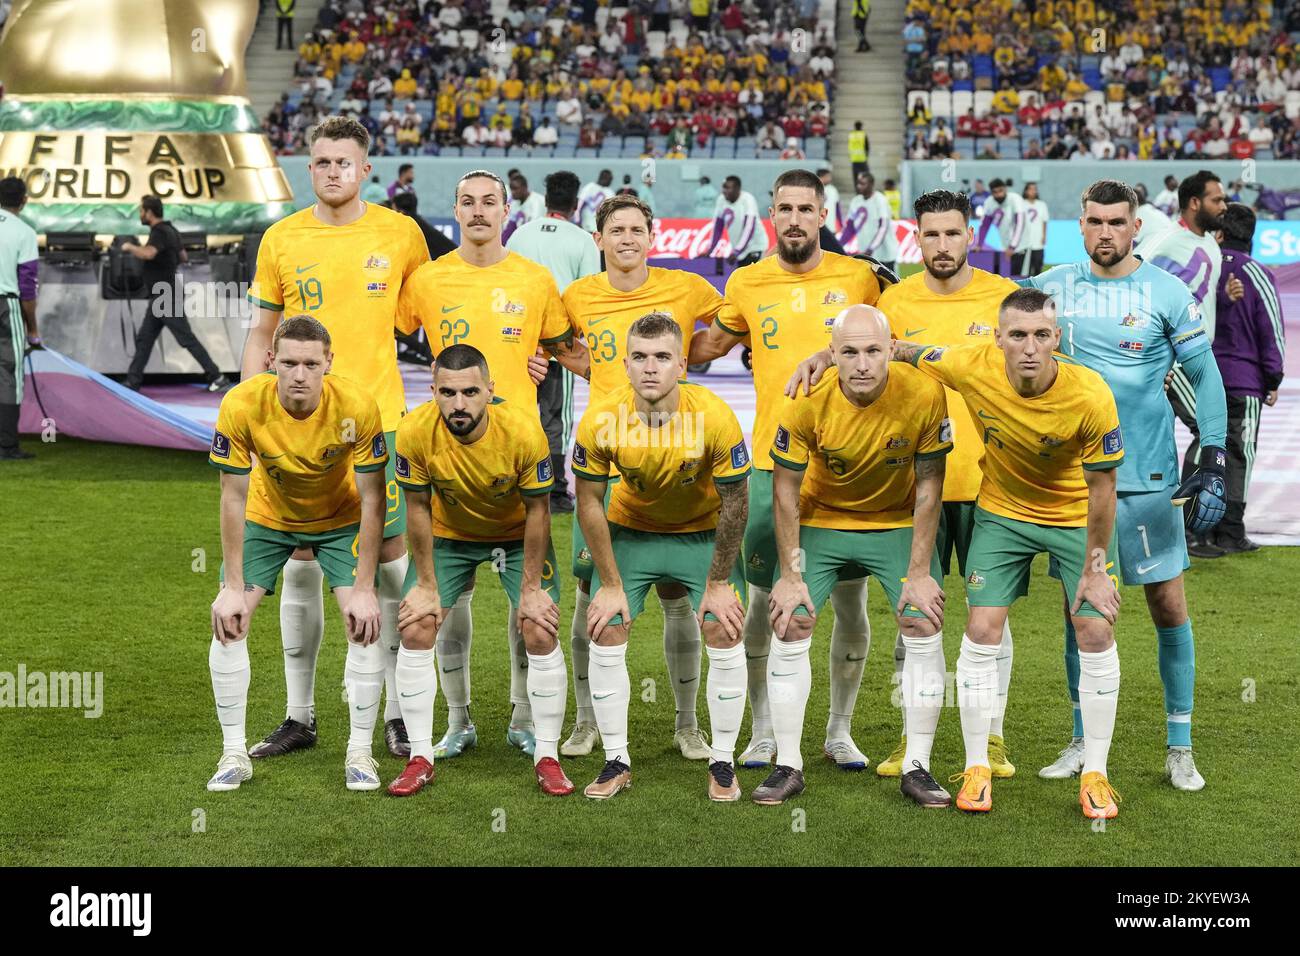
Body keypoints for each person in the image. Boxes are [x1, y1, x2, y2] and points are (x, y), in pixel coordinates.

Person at [785, 188, 1021, 780]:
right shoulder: (894, 297)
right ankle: (906, 741)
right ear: (916, 238)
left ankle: (990, 736)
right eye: (931, 235)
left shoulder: (1004, 298)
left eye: (953, 234)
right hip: (917, 489)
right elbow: (859, 345)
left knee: (987, 615)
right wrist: (820, 356)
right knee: (913, 608)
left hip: (990, 480)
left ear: (972, 236)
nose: (942, 245)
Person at [1021, 180, 1228, 791]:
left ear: (1136, 227)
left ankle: (1180, 744)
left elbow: (1204, 373)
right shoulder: (1051, 288)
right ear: (1079, 225)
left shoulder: (1167, 292)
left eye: (1117, 222)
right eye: (1094, 221)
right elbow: (988, 340)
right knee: (1078, 610)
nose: (1105, 232)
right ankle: (1084, 738)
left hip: (1147, 479)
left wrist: (1213, 454)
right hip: (1073, 482)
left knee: (1167, 606)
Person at [894, 289, 1126, 819]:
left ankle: (1096, 772)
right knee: (981, 630)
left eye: (1041, 335)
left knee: (1094, 627)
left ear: (1057, 340)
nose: (1029, 347)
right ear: (997, 339)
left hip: (1074, 516)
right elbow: (900, 349)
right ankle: (977, 766)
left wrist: (1094, 571)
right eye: (1017, 335)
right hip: (1002, 513)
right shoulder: (968, 365)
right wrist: (821, 356)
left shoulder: (1090, 394)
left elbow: (1104, 488)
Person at [243, 115, 430, 763]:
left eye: (343, 163)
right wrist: (247, 415)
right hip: (296, 432)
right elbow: (261, 336)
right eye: (321, 162)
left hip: (380, 428)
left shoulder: (401, 235)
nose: (331, 172)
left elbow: (433, 316)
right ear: (309, 168)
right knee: (300, 565)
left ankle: (401, 715)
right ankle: (300, 716)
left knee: (389, 566)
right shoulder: (281, 239)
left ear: (365, 168)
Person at [688, 169, 883, 771]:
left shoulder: (859, 278)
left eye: (806, 208)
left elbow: (899, 342)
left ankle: (839, 730)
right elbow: (702, 350)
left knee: (849, 606)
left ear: (824, 215)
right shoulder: (747, 282)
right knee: (760, 603)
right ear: (771, 214)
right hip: (773, 470)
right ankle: (766, 729)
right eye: (784, 208)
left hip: (847, 470)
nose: (794, 218)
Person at [396, 169, 588, 758]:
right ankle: (458, 720)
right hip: (446, 462)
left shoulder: (535, 280)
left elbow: (565, 348)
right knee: (447, 605)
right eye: (468, 202)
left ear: (508, 210)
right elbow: (385, 334)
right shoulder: (426, 280)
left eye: (490, 202)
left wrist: (570, 368)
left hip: (518, 465)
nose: (479, 211)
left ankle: (524, 717)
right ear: (454, 210)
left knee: (527, 602)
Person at [760, 305, 950, 806]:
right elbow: (785, 492)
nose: (862, 363)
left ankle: (919, 765)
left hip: (895, 520)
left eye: (872, 351)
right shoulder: (805, 398)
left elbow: (931, 485)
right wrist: (790, 574)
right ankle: (787, 763)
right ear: (832, 354)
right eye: (849, 352)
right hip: (822, 519)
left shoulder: (926, 393)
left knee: (922, 618)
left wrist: (920, 572)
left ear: (891, 349)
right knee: (790, 619)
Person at [559, 193, 726, 759]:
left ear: (650, 238)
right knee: (591, 597)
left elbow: (726, 329)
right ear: (598, 239)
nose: (627, 238)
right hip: (606, 460)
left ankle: (687, 724)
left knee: (680, 598)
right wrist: (588, 367)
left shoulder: (685, 287)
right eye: (617, 230)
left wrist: (689, 361)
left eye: (637, 229)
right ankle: (585, 721)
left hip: (676, 454)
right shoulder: (578, 296)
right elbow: (566, 346)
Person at [573, 312, 751, 801]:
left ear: (682, 367)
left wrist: (717, 582)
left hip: (700, 534)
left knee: (722, 622)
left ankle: (722, 762)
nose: (651, 368)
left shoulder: (714, 415)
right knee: (605, 624)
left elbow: (737, 501)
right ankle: (616, 760)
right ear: (626, 366)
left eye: (663, 358)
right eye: (640, 358)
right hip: (634, 531)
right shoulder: (601, 419)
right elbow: (588, 499)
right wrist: (609, 584)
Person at [205, 316, 386, 791]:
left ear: (329, 362)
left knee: (363, 624)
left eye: (310, 363)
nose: (300, 373)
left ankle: (361, 754)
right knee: (229, 620)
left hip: (339, 519)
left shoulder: (357, 406)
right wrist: (230, 587)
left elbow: (373, 498)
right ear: (271, 362)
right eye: (289, 362)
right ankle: (232, 754)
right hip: (268, 520)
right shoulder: (241, 404)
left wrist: (365, 587)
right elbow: (231, 496)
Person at [390, 344, 570, 797]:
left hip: (515, 534)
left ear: (491, 390)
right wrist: (427, 585)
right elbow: (416, 508)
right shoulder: (413, 431)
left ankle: (546, 754)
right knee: (415, 627)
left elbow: (538, 511)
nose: (459, 404)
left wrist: (531, 589)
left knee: (539, 627)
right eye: (448, 393)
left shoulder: (523, 432)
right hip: (450, 535)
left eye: (471, 391)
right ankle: (421, 756)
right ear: (432, 391)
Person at [506, 171, 602, 515]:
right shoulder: (582, 240)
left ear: (545, 201)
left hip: (516, 344)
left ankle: (514, 482)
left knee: (516, 413)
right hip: (558, 349)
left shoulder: (519, 235)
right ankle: (557, 491)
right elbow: (589, 298)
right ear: (575, 205)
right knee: (555, 419)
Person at [1141, 171, 1230, 516]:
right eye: (1216, 199)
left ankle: (1183, 509)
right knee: (1208, 427)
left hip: (1198, 354)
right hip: (1173, 356)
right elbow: (1134, 282)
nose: (1223, 206)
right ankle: (1193, 511)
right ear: (1195, 203)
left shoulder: (1208, 241)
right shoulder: (1165, 242)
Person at [1204, 203, 1285, 555]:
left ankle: (1199, 528)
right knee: (1241, 454)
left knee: (1208, 449)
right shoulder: (1257, 273)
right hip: (1243, 380)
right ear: (1253, 234)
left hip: (1205, 378)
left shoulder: (1205, 268)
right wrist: (1273, 377)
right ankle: (1231, 532)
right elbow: (1272, 330)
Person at [121, 195, 230, 393]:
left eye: (141, 211)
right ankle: (132, 382)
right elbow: (183, 256)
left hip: (165, 296)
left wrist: (129, 247)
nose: (140, 214)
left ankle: (217, 376)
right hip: (162, 296)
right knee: (145, 339)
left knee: (186, 338)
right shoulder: (171, 230)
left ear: (149, 212)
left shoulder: (159, 231)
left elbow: (149, 253)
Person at [0, 176, 40, 461]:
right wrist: (33, 329)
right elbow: (27, 288)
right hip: (6, 306)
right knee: (9, 375)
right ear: (24, 200)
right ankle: (7, 446)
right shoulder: (24, 232)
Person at [704, 175, 769, 274]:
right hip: (740, 251)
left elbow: (749, 228)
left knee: (752, 279)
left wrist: (736, 251)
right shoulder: (721, 200)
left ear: (737, 189)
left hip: (755, 247)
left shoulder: (747, 200)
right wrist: (709, 250)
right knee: (742, 281)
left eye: (727, 187)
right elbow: (718, 227)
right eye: (723, 187)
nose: (724, 191)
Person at [838, 173, 897, 272]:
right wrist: (839, 245)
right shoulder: (855, 201)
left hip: (885, 254)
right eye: (858, 183)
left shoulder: (880, 200)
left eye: (862, 184)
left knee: (890, 286)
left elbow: (883, 227)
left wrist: (871, 249)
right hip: (867, 254)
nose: (859, 186)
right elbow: (850, 227)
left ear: (871, 184)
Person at [975, 179, 1030, 276]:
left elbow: (1020, 224)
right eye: (995, 192)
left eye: (1000, 191)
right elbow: (984, 225)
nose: (998, 194)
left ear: (1005, 189)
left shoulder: (1015, 199)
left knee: (1020, 277)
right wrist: (979, 244)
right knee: (1006, 276)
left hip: (1021, 244)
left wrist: (1012, 247)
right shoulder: (989, 202)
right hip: (1005, 245)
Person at [391, 191, 457, 260]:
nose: (391, 214)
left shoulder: (410, 228)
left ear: (401, 212)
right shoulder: (419, 223)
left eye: (393, 210)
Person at [501, 173, 546, 244]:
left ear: (525, 187)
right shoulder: (515, 203)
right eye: (511, 189)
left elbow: (534, 229)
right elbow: (510, 227)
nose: (513, 192)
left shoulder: (537, 202)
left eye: (515, 189)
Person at [1023, 182, 1048, 275]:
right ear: (1026, 191)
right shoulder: (1022, 204)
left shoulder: (1042, 205)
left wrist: (1044, 236)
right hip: (1025, 243)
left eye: (1035, 189)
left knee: (1038, 267)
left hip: (1038, 242)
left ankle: (1037, 288)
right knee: (1026, 270)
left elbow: (1044, 221)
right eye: (1031, 189)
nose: (1033, 191)